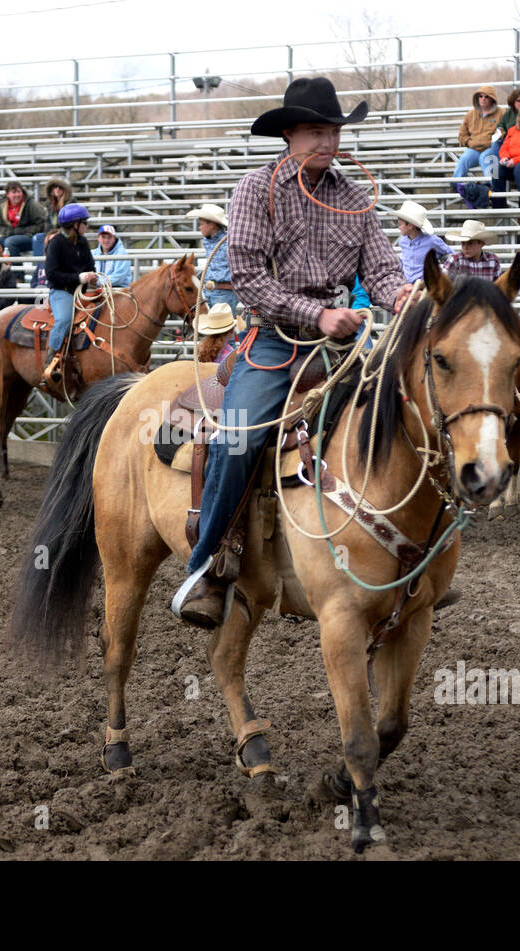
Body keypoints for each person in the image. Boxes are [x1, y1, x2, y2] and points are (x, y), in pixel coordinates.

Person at [171, 76, 416, 627]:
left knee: (405, 415)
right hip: (275, 343)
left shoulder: (354, 197)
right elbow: (250, 280)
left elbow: (378, 269)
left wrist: (400, 292)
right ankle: (210, 565)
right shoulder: (256, 191)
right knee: (237, 438)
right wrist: (319, 315)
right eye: (314, 132)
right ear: (288, 135)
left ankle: (409, 562)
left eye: (331, 132)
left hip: (341, 345)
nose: (326, 143)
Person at [41, 203, 97, 384]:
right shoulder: (56, 243)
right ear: (75, 224)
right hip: (62, 292)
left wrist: (93, 277)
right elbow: (52, 275)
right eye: (84, 223)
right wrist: (79, 278)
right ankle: (51, 359)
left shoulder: (83, 242)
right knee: (64, 319)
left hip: (82, 291)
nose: (86, 227)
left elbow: (90, 266)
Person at [186, 203, 236, 313]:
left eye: (202, 224)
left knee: (222, 326)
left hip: (224, 292)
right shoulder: (208, 241)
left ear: (212, 225)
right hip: (209, 291)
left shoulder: (229, 241)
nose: (199, 227)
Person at [453, 86, 502, 188]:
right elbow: (462, 134)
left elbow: (503, 131)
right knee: (463, 160)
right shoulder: (470, 115)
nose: (483, 99)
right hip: (474, 149)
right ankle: (455, 186)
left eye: (486, 97)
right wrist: (469, 143)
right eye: (480, 96)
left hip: (492, 148)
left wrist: (494, 141)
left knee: (486, 159)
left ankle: (493, 189)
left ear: (492, 99)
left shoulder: (501, 113)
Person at [392, 200, 451, 282]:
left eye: (400, 224)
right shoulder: (403, 242)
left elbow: (451, 256)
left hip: (425, 287)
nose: (399, 227)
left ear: (410, 226)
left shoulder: (432, 241)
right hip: (407, 286)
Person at [0, 181, 47, 261]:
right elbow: (0, 225)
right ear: (8, 194)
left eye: (19, 192)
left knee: (10, 242)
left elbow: (41, 224)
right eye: (14, 192)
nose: (17, 195)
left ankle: (16, 272)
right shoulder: (3, 206)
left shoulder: (31, 204)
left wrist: (21, 231)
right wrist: (7, 232)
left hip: (30, 237)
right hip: (9, 236)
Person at [33, 177, 73, 258]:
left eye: (60, 187)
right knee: (37, 238)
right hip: (52, 233)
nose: (57, 189)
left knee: (54, 239)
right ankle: (41, 267)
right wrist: (49, 234)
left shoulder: (70, 203)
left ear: (65, 190)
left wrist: (56, 233)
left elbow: (70, 225)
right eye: (55, 187)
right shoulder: (50, 203)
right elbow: (48, 223)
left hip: (67, 234)